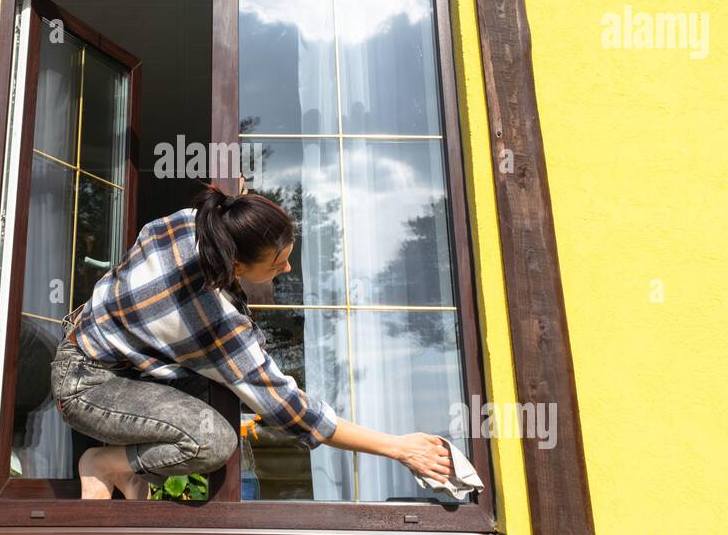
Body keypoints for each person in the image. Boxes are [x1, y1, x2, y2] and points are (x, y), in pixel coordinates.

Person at [49, 181, 454, 500]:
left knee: (215, 387)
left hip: (98, 342)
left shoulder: (192, 221)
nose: (288, 267)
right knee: (212, 439)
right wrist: (399, 448)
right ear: (235, 264)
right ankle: (104, 463)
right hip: (88, 386)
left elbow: (231, 213)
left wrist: (243, 199)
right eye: (278, 265)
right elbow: (294, 412)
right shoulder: (218, 324)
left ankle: (128, 468)